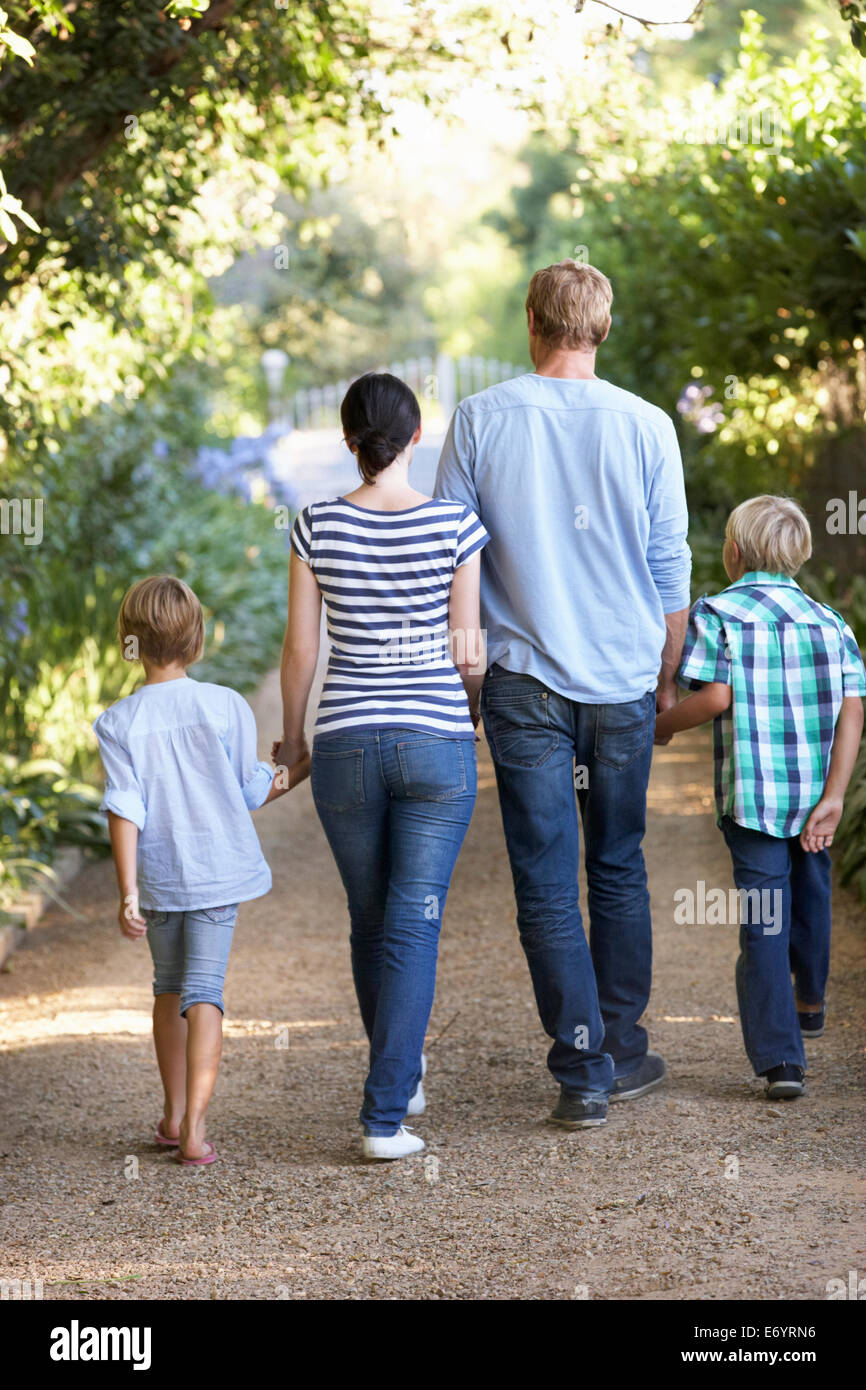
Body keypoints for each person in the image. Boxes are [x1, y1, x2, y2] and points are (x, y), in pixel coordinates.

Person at [435, 260, 692, 1129]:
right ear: (603, 327)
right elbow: (669, 571)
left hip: (522, 682)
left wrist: (467, 681)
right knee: (617, 865)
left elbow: (452, 566)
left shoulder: (479, 421)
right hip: (622, 678)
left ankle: (582, 1070)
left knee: (545, 883)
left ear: (532, 323)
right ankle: (621, 1048)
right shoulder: (649, 425)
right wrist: (666, 680)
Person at [274, 372, 488, 1161]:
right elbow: (470, 649)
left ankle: (400, 1072)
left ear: (348, 440)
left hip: (345, 746)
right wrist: (467, 717)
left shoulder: (314, 525)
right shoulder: (455, 525)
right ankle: (385, 1113)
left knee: (373, 919)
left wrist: (292, 741)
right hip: (434, 742)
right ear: (417, 437)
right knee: (414, 918)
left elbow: (301, 650)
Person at [655, 495, 866, 1099]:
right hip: (815, 798)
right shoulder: (831, 620)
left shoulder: (718, 613)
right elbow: (853, 709)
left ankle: (781, 1062)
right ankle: (811, 1001)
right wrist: (837, 795)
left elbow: (715, 697)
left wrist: (662, 726)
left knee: (763, 918)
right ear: (799, 554)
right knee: (813, 894)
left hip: (751, 797)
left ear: (733, 551)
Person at [93, 575, 308, 1165]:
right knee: (204, 990)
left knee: (167, 987)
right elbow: (243, 793)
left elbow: (125, 807)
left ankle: (169, 1112)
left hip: (158, 879)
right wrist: (291, 772)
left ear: (127, 642)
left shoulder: (118, 722)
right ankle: (194, 1130)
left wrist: (127, 892)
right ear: (197, 640)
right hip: (216, 873)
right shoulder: (224, 706)